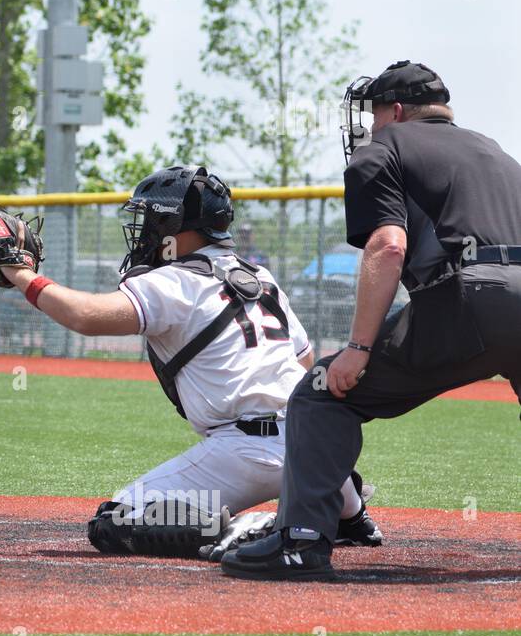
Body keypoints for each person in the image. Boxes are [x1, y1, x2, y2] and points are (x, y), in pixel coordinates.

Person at [0, 166, 381, 559]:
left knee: (114, 521)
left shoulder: (173, 281)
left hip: (244, 453)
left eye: (150, 221)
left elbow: (84, 316)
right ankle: (348, 511)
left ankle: (247, 529)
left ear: (173, 227)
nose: (143, 232)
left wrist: (20, 273)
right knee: (296, 437)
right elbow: (304, 364)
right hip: (315, 447)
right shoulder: (263, 278)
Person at [223, 61, 521, 580]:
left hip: (472, 298)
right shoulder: (497, 153)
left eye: (376, 112)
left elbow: (388, 246)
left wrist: (358, 349)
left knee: (321, 394)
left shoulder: (385, 148)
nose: (370, 124)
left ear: (398, 110)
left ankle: (300, 542)